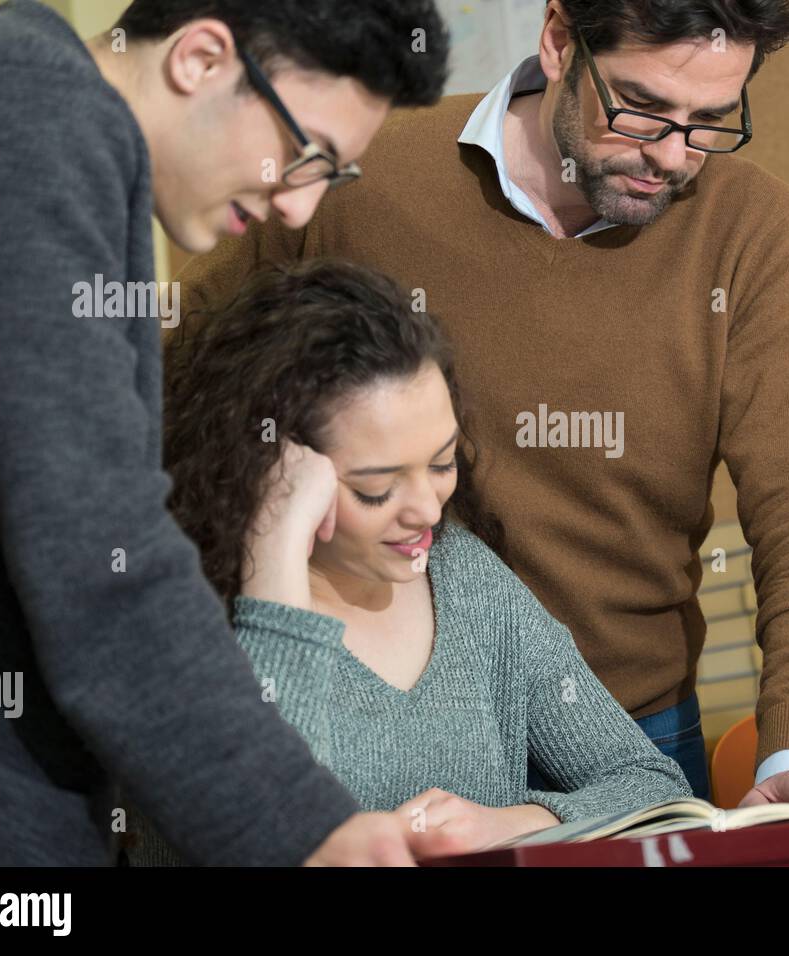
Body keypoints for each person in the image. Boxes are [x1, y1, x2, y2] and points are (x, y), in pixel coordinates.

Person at [176, 0, 789, 809]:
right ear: (560, 41)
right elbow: (182, 387)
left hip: (634, 735)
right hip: (384, 717)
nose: (671, 155)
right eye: (641, 108)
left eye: (710, 120)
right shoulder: (370, 172)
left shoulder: (749, 233)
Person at [0, 0, 453, 865]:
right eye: (306, 152)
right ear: (202, 59)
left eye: (333, 176)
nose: (299, 206)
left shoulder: (43, 119)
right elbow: (100, 557)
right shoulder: (20, 118)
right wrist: (303, 827)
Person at [124, 259, 693, 864]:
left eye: (443, 463)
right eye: (377, 489)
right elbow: (255, 839)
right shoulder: (183, 614)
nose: (427, 509)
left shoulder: (466, 580)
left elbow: (654, 787)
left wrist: (513, 822)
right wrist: (274, 550)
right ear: (267, 471)